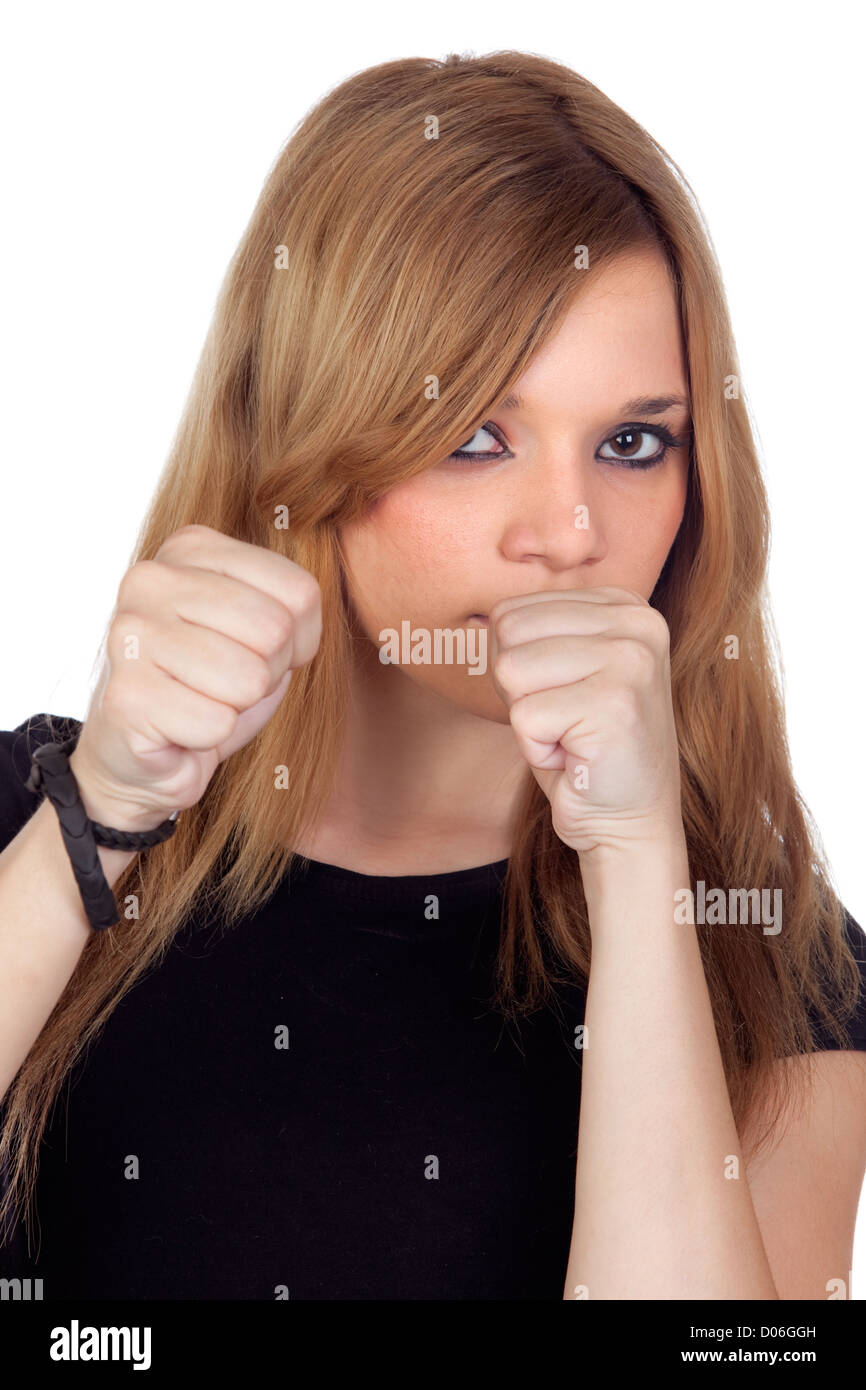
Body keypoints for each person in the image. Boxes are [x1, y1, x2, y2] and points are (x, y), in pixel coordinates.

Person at [1, 50, 865, 1302]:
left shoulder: (771, 955)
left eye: (632, 442)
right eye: (474, 436)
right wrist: (103, 813)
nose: (566, 530)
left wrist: (636, 863)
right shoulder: (35, 826)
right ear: (308, 432)